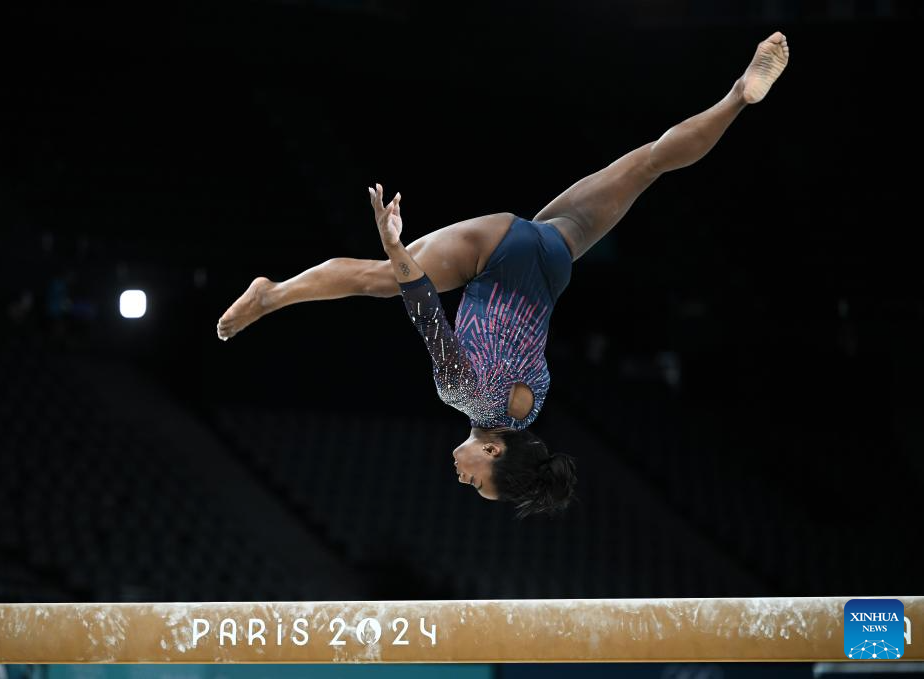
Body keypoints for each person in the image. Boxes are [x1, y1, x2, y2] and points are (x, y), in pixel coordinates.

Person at [216, 32, 790, 517]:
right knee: (377, 280)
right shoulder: (465, 394)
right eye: (473, 482)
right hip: (494, 253)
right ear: (492, 455)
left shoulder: (531, 406)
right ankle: (273, 294)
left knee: (648, 163)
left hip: (553, 256)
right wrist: (397, 250)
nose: (459, 477)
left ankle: (739, 95)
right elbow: (426, 316)